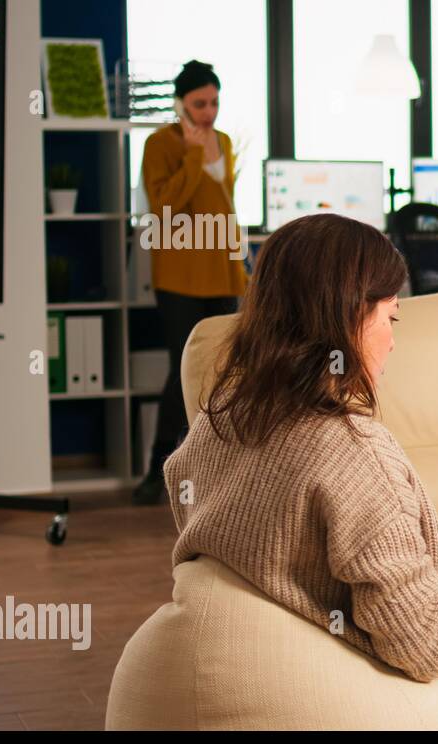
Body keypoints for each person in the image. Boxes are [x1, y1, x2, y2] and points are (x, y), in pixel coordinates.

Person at [163, 213, 438, 730]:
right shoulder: (354, 452)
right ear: (351, 317)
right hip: (394, 681)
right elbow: (421, 650)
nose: (393, 341)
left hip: (303, 647)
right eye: (391, 319)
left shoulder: (222, 412)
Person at [133, 60, 247, 504]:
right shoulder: (160, 143)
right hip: (180, 274)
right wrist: (194, 156)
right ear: (181, 103)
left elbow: (225, 204)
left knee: (223, 373)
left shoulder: (223, 142)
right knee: (179, 371)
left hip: (221, 269)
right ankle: (157, 467)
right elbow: (164, 205)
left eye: (214, 102)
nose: (209, 112)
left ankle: (216, 472)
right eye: (200, 103)